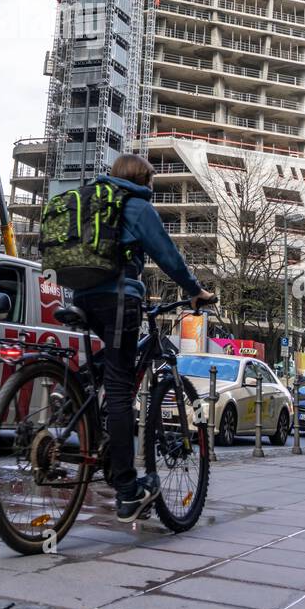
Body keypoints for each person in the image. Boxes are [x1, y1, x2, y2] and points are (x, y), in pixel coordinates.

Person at [74, 154, 215, 523]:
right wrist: (195, 290)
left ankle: (68, 392)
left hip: (80, 295)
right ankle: (126, 489)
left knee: (102, 370)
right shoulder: (135, 204)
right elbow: (167, 255)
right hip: (119, 298)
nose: (153, 186)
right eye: (152, 180)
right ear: (144, 179)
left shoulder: (90, 199)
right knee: (121, 390)